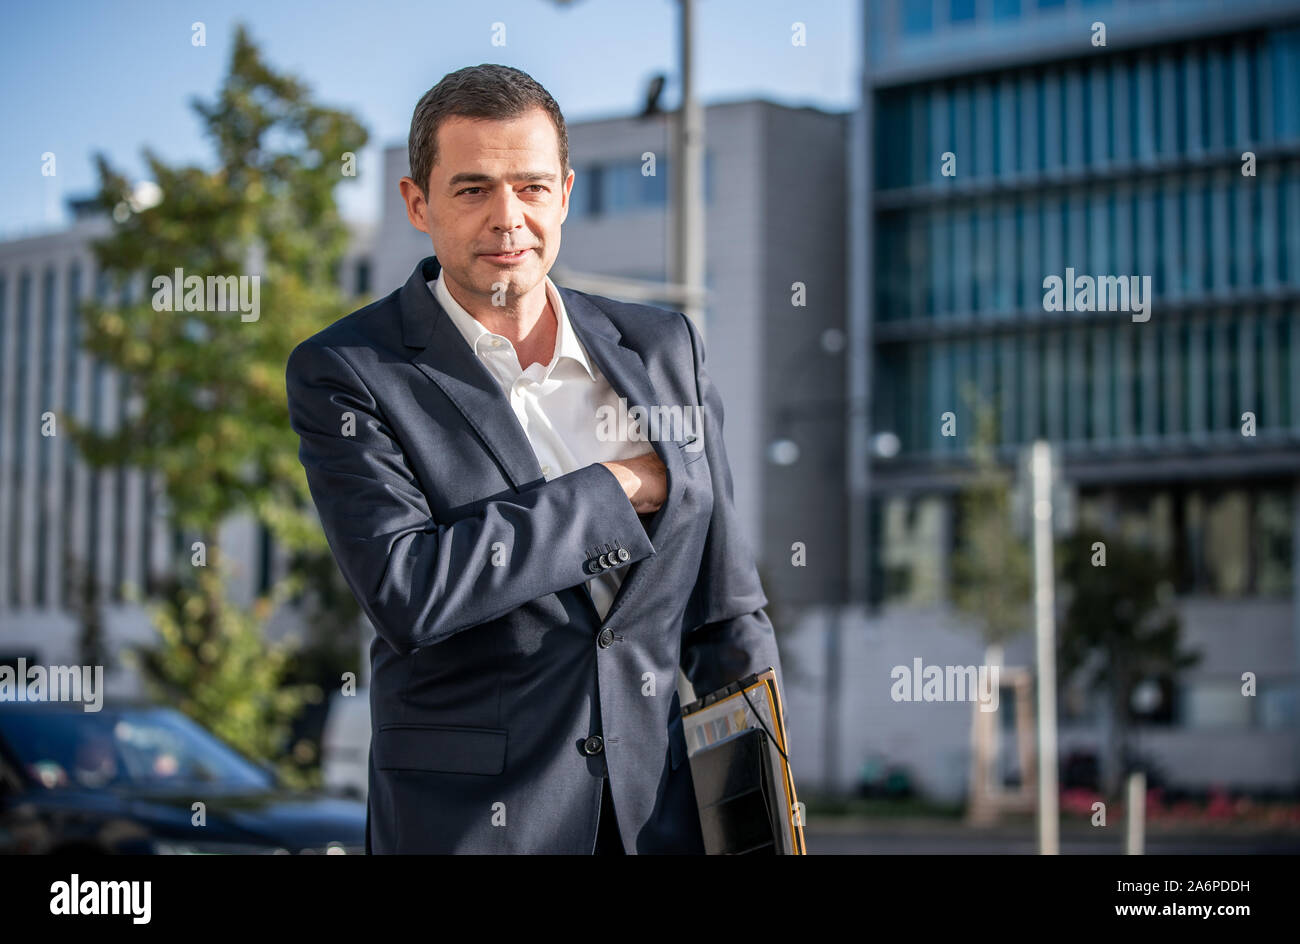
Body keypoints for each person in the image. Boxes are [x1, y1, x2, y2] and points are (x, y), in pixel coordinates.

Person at [285, 63, 785, 853]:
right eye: (473, 188)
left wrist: (764, 832)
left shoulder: (664, 351)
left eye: (531, 186)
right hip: (470, 828)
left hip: (660, 820)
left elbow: (726, 613)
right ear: (418, 203)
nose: (507, 218)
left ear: (566, 192)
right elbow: (410, 589)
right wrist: (615, 487)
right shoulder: (349, 371)